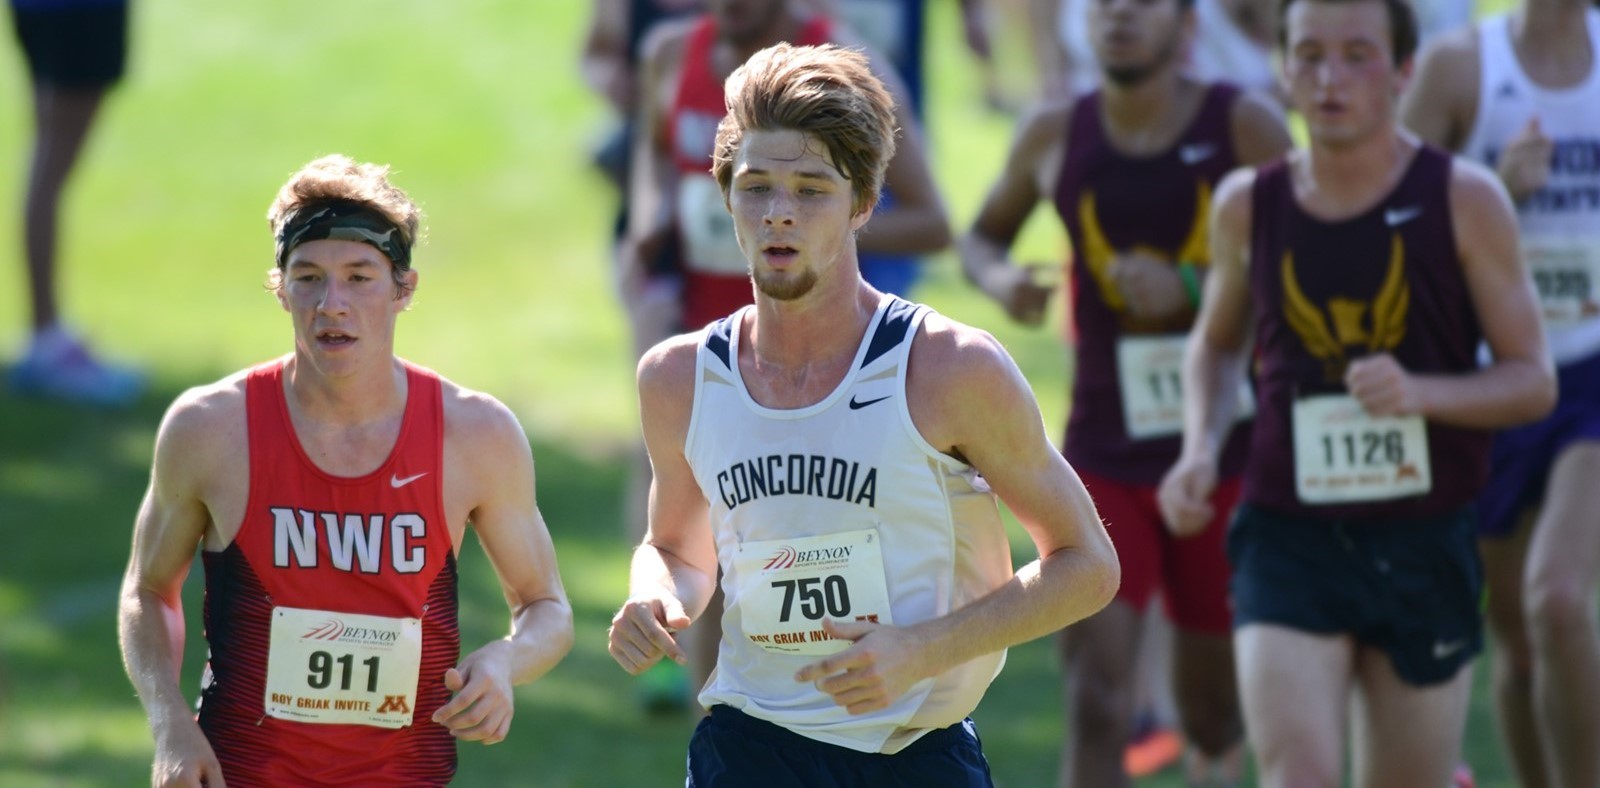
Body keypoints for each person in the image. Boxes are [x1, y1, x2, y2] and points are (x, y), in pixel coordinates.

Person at [606, 43, 1120, 785]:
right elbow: (679, 550)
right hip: (747, 745)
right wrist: (654, 597)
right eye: (757, 187)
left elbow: (1087, 565)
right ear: (726, 198)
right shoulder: (679, 377)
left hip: (915, 754)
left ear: (863, 204)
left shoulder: (949, 368)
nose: (780, 214)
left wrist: (922, 649)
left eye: (812, 189)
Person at [1157, 0, 1557, 782]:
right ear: (1282, 69)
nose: (1330, 78)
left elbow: (1532, 381)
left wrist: (1421, 393)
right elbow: (1216, 341)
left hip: (1423, 538)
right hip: (1287, 533)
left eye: (1358, 55)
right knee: (1296, 774)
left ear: (1406, 70)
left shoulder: (1466, 201)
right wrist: (1199, 447)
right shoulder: (1249, 205)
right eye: (1308, 55)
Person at [116, 155, 575, 785]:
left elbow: (546, 605)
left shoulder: (476, 435)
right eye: (308, 277)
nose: (332, 304)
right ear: (280, 287)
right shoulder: (210, 430)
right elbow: (147, 590)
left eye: (360, 277)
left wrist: (504, 661)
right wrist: (169, 722)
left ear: (403, 288)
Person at [962, 0, 1290, 782]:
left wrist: (1189, 282)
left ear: (1185, 23)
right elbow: (981, 237)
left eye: (1141, 5)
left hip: (1225, 452)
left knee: (1213, 708)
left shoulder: (1242, 124)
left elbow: (1304, 250)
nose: (1117, 17)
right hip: (1103, 450)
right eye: (1102, 4)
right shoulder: (1053, 132)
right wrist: (1005, 281)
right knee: (1098, 697)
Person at [1402, 0, 1600, 784]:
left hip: (1591, 374)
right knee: (1517, 639)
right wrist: (1497, 196)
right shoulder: (1462, 68)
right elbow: (1384, 224)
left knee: (1559, 600)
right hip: (1491, 378)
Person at [8, 0, 143, 407]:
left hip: (41, 11)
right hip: (77, 11)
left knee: (45, 156)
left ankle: (45, 336)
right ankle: (46, 340)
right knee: (51, 164)